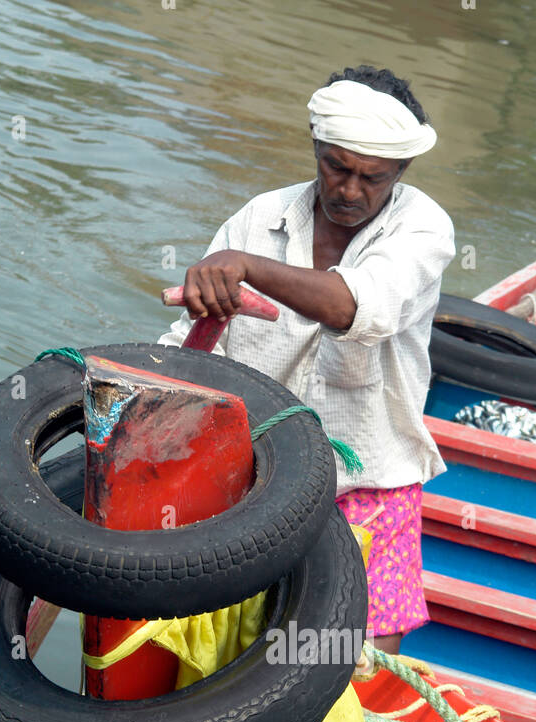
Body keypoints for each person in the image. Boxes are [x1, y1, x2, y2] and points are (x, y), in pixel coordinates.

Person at [159, 64, 455, 654]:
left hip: (367, 483)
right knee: (233, 656)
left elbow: (355, 306)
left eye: (372, 177)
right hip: (255, 482)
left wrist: (246, 267)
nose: (350, 190)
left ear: (402, 171)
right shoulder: (258, 219)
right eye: (336, 167)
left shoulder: (423, 229)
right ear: (316, 148)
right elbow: (192, 343)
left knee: (357, 667)